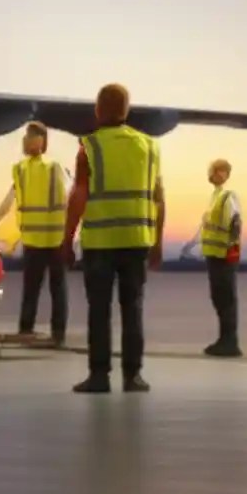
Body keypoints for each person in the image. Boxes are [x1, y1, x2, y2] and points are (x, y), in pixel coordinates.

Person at [62, 84, 165, 393]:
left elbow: (79, 194)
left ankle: (99, 375)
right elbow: (159, 198)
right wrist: (158, 241)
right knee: (133, 309)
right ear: (127, 110)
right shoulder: (149, 146)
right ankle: (133, 376)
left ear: (98, 109)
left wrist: (67, 239)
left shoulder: (90, 146)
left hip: (100, 243)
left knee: (99, 310)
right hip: (137, 240)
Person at [0, 121, 71, 344]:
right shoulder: (21, 170)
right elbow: (8, 202)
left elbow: (68, 202)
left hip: (53, 240)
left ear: (41, 141)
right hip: (36, 240)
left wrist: (71, 236)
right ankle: (28, 330)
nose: (25, 140)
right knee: (39, 288)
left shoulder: (54, 168)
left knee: (51, 288)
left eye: (30, 136)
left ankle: (55, 333)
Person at [180, 159, 242, 357]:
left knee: (226, 298)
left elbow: (236, 225)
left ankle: (230, 342)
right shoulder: (214, 198)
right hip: (213, 255)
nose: (216, 175)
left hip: (224, 256)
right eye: (214, 171)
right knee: (218, 297)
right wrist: (192, 246)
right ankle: (224, 339)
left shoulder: (227, 197)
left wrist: (232, 248)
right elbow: (208, 228)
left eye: (220, 171)